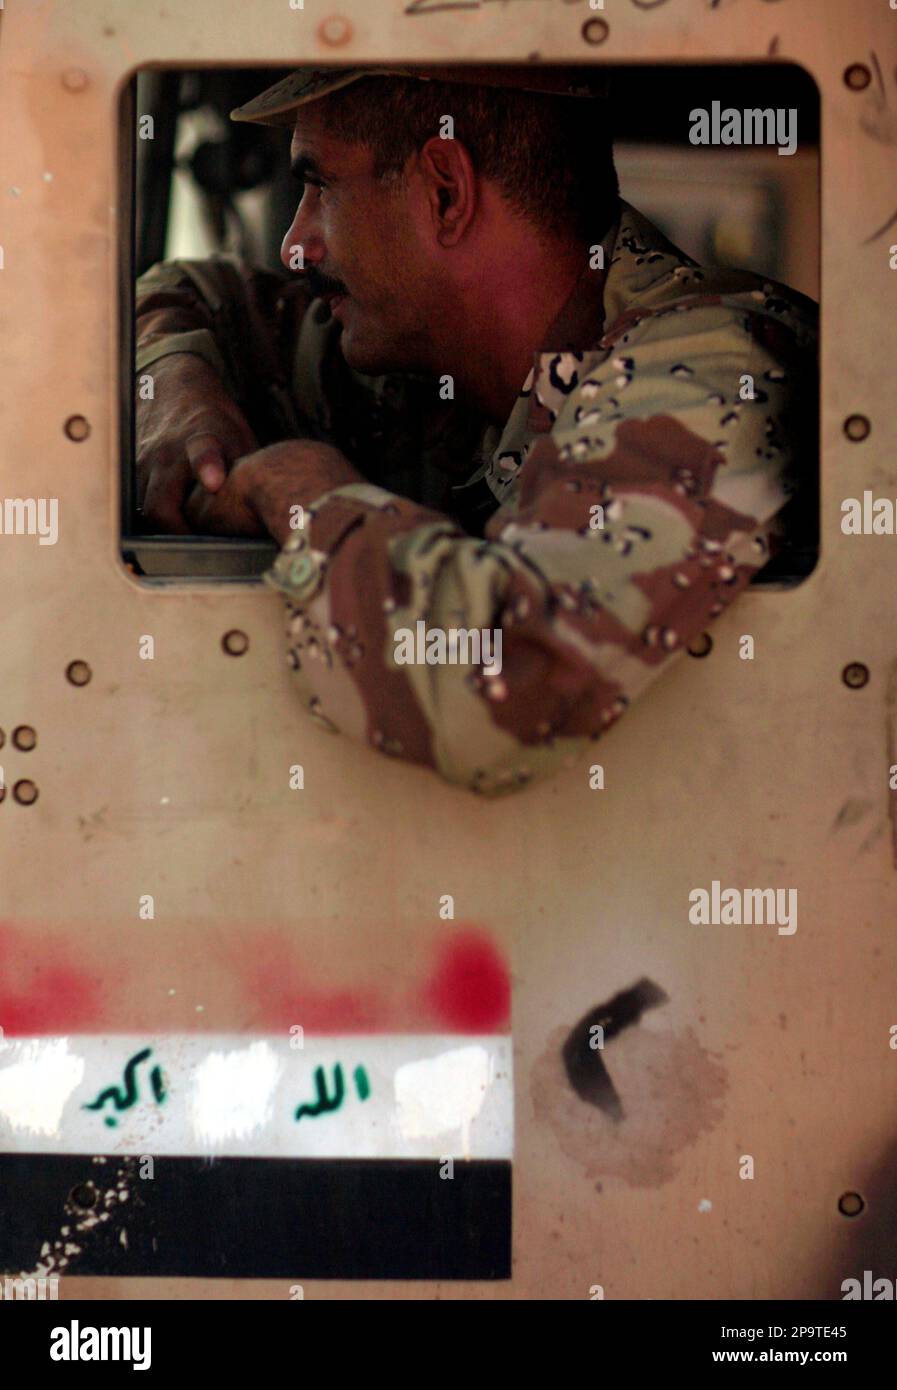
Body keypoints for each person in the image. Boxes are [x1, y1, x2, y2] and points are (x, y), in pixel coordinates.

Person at [135, 65, 818, 796]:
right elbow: (186, 293)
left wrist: (299, 496)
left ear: (444, 193)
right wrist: (178, 395)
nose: (295, 246)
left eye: (319, 186)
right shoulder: (430, 365)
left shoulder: (710, 364)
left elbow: (503, 688)